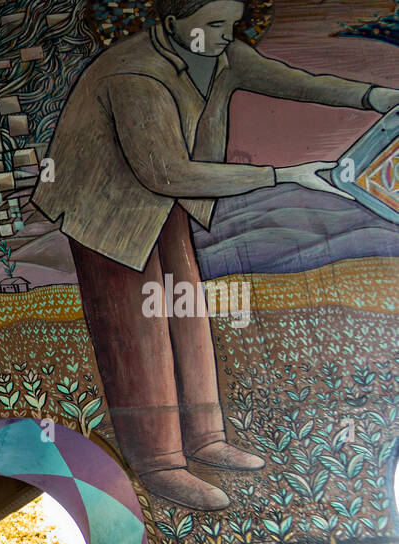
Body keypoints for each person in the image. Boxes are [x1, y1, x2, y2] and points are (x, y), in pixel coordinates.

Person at [32, 0, 399, 511]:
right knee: (139, 335)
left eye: (233, 24)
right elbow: (163, 173)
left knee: (186, 311)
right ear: (173, 21)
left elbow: (291, 81)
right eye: (214, 25)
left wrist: (373, 95)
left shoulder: (220, 54)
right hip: (106, 207)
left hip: (167, 199)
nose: (227, 35)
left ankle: (205, 437)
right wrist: (284, 173)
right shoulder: (136, 75)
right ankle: (159, 462)